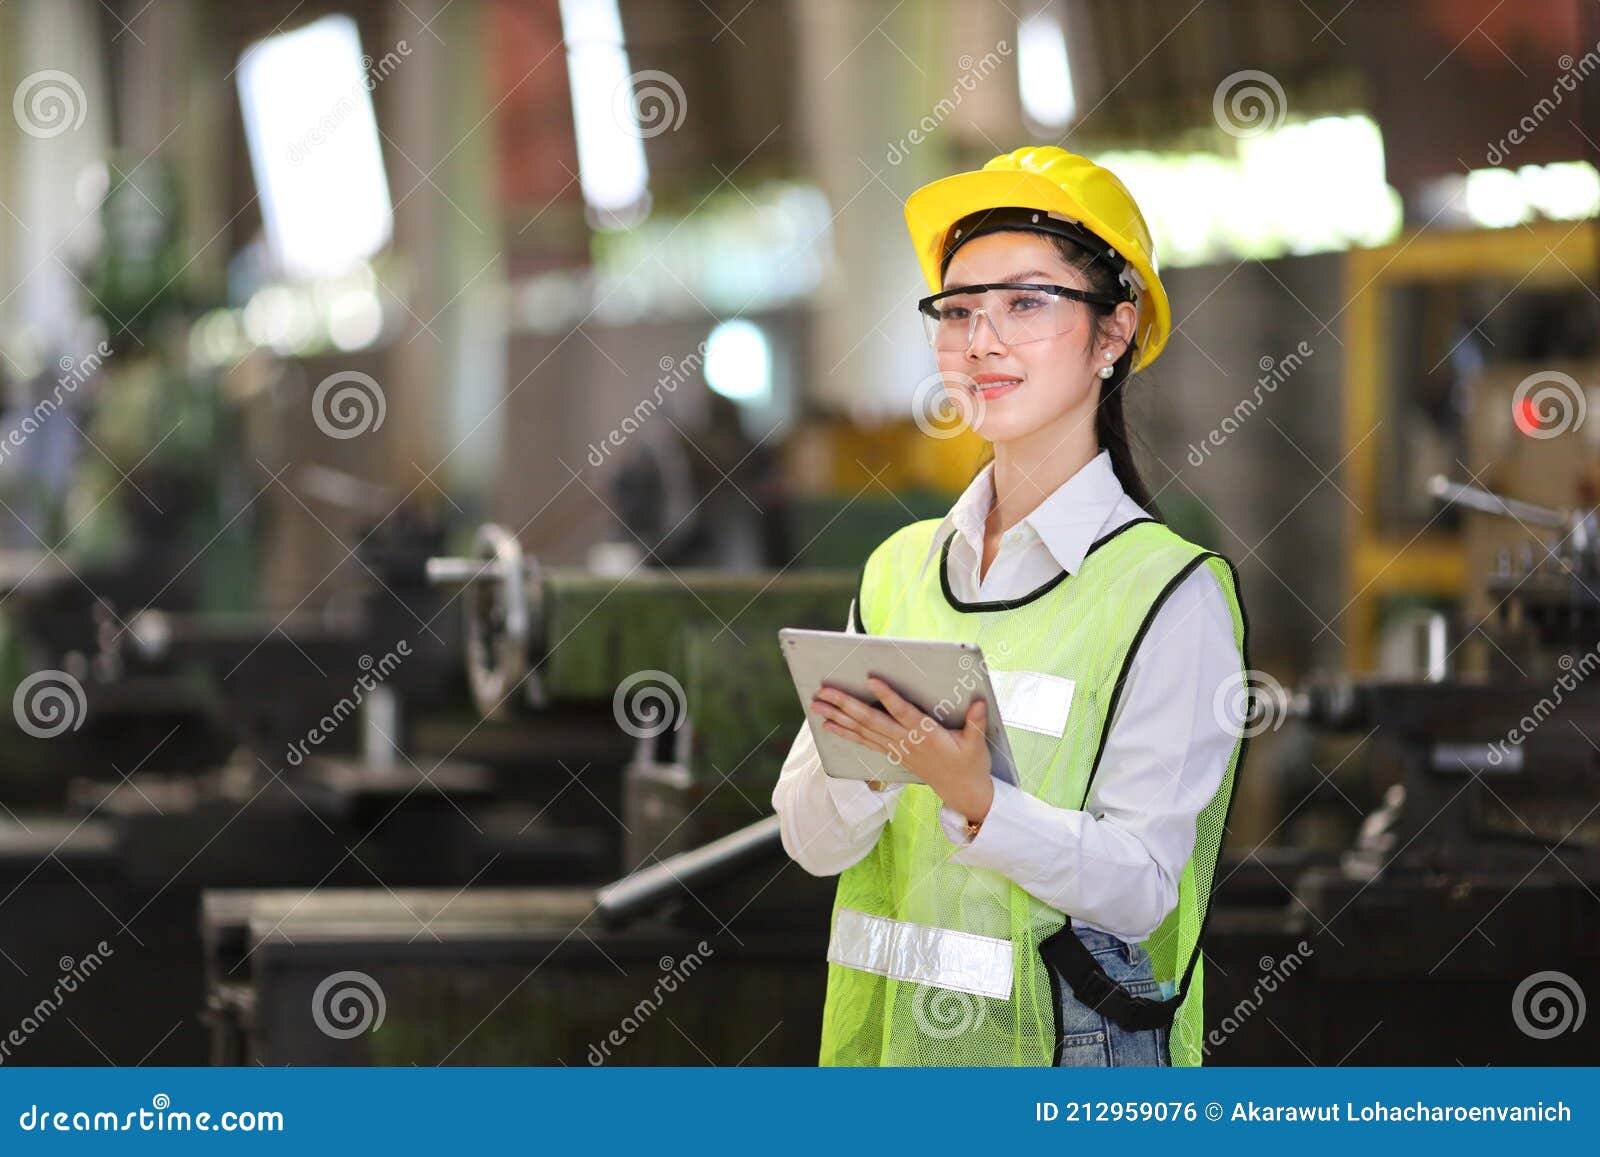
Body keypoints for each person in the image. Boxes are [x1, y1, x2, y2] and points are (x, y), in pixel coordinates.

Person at [770, 145, 1249, 1067]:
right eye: (957, 312)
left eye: (1026, 303)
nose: (980, 342)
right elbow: (812, 842)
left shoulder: (1168, 592)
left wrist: (977, 797)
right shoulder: (901, 569)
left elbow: (1146, 883)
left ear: (1114, 334)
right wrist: (870, 768)